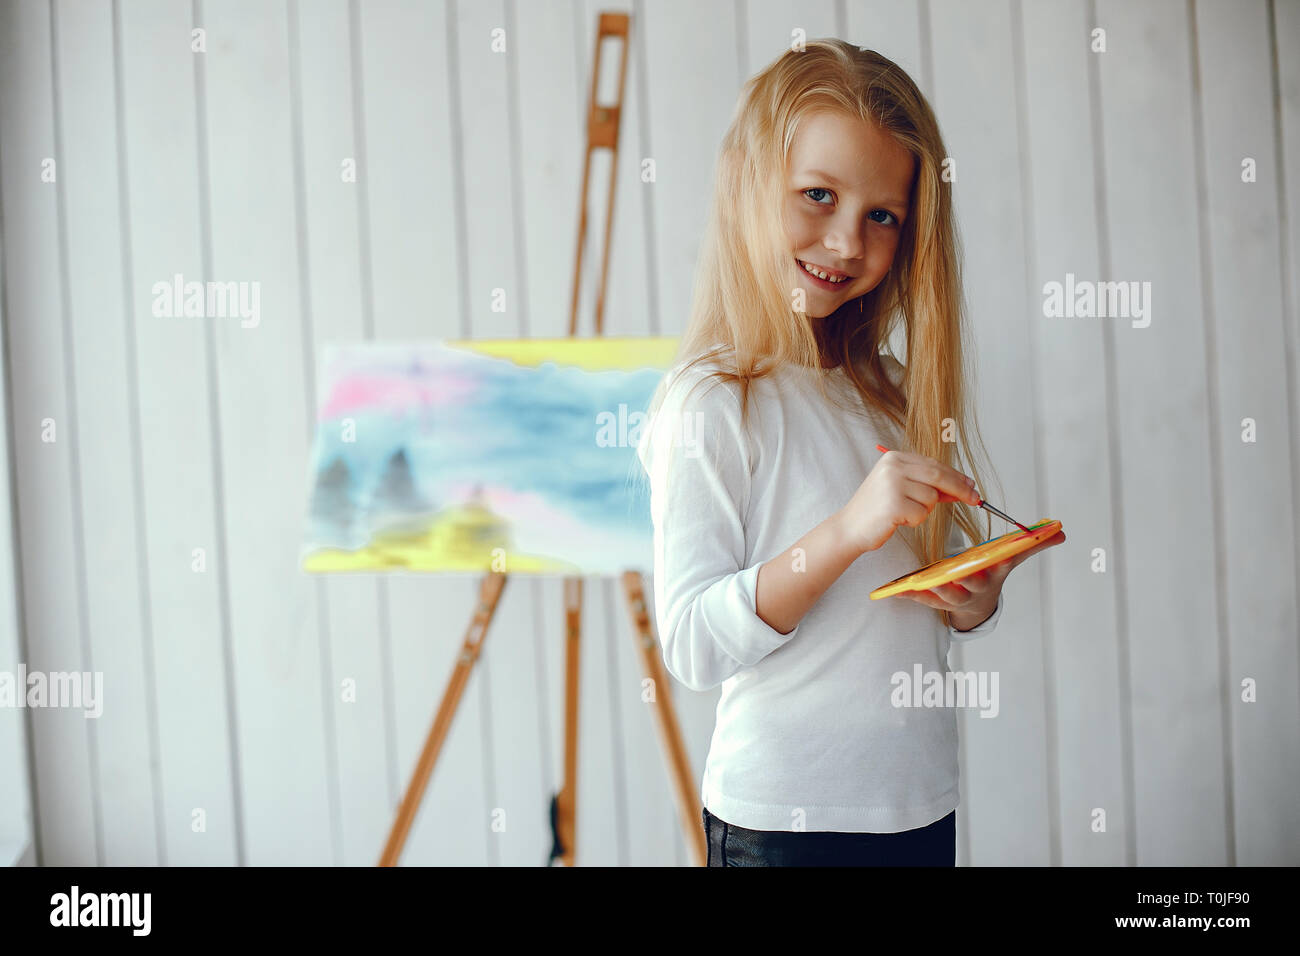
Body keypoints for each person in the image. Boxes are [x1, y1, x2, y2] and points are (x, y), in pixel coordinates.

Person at [635, 40, 1065, 867]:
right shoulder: (715, 402)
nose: (843, 241)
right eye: (817, 195)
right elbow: (691, 644)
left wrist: (974, 598)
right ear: (749, 188)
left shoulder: (895, 392)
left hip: (916, 805)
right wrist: (846, 531)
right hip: (781, 825)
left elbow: (911, 613)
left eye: (881, 216)